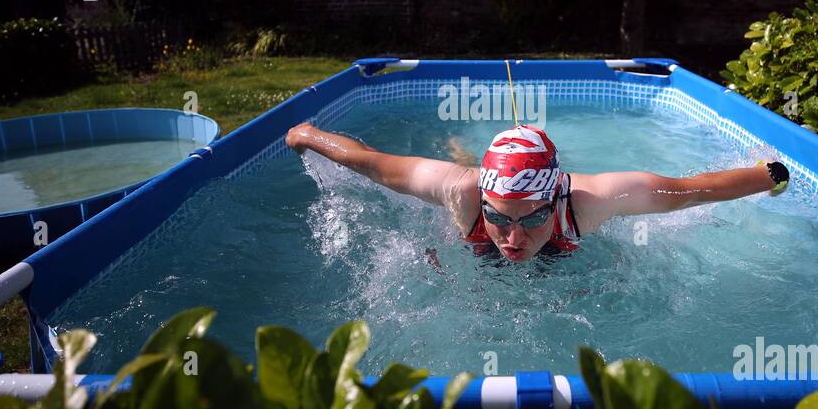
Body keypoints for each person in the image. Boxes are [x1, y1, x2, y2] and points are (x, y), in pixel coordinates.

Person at [285, 121, 789, 264]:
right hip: (467, 174)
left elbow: (692, 191)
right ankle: (461, 143)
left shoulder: (593, 199)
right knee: (457, 161)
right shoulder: (459, 190)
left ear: (556, 201)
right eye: (500, 218)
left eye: (530, 220)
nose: (511, 238)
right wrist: (309, 136)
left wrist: (769, 176)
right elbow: (368, 162)